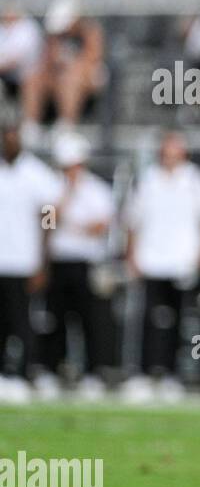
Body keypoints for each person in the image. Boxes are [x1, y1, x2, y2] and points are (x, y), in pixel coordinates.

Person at [123, 131, 200, 399]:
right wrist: (132, 255)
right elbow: (132, 221)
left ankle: (173, 374)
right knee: (149, 319)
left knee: (179, 320)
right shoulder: (147, 180)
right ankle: (145, 373)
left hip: (182, 261)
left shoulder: (198, 181)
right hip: (152, 261)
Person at [36, 132, 116, 395]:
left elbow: (99, 226)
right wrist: (66, 198)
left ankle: (94, 372)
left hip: (85, 262)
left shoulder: (97, 189)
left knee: (90, 320)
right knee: (55, 320)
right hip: (58, 261)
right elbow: (48, 222)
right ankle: (51, 369)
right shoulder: (51, 187)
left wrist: (70, 223)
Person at [0, 116, 60, 403]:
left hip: (23, 260)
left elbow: (49, 217)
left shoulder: (36, 174)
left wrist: (42, 259)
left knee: (23, 322)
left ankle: (25, 373)